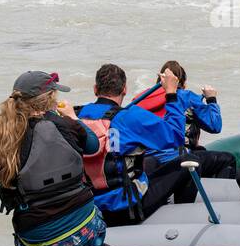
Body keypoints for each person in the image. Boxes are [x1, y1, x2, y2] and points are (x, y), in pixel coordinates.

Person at [0, 71, 105, 246]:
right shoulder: (67, 125)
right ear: (50, 99)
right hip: (86, 231)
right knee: (96, 216)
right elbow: (94, 146)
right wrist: (73, 117)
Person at [76, 63, 195, 225]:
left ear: (95, 89)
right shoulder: (130, 117)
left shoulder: (76, 116)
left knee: (151, 161)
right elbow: (175, 136)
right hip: (125, 209)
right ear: (124, 89)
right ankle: (184, 224)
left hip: (89, 204)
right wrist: (171, 94)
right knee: (188, 162)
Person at [131, 60, 236, 179]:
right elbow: (215, 125)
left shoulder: (140, 100)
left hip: (145, 159)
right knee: (228, 159)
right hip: (177, 158)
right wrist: (211, 99)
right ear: (182, 82)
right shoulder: (186, 97)